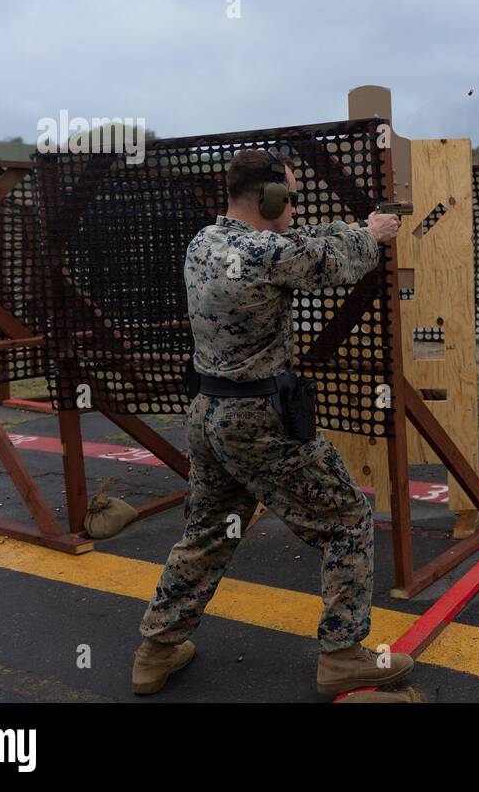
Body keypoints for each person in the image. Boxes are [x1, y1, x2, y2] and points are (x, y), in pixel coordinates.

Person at [132, 147, 407, 697]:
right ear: (272, 196)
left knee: (207, 532)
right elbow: (331, 263)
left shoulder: (204, 242)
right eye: (291, 197)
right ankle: (343, 654)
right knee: (348, 517)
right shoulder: (266, 254)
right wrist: (371, 234)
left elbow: (295, 244)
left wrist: (349, 226)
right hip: (259, 420)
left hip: (207, 414)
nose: (294, 207)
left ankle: (156, 651)